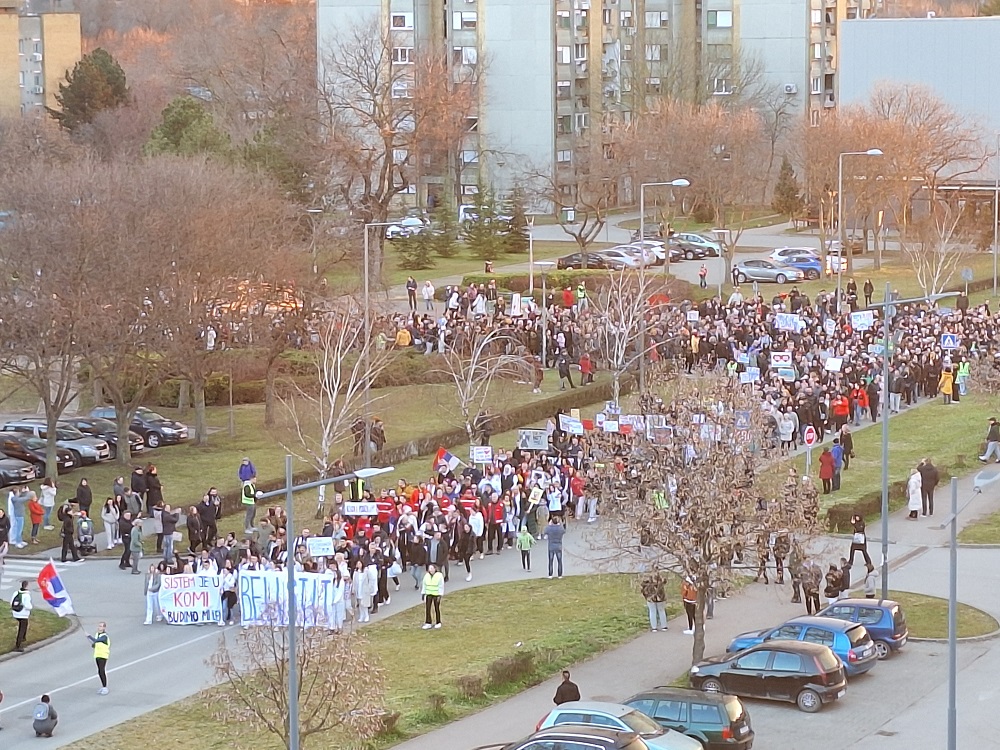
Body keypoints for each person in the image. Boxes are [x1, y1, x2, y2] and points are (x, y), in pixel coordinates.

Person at [88, 622, 111, 695]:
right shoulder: (97, 635)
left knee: (102, 670)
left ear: (104, 628)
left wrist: (89, 636)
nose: (99, 627)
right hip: (97, 655)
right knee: (99, 671)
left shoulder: (105, 636)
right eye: (99, 626)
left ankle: (105, 687)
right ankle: (103, 686)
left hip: (103, 655)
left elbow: (97, 640)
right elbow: (96, 643)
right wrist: (94, 645)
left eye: (101, 626)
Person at [421, 563, 444, 629]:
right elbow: (424, 585)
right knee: (428, 608)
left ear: (435, 569)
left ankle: (438, 622)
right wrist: (423, 593)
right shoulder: (426, 576)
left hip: (436, 594)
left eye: (431, 568)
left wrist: (440, 595)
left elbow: (441, 586)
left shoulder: (439, 576)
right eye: (429, 568)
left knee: (436, 608)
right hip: (428, 594)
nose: (430, 570)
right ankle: (428, 622)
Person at [11, 579, 31, 651]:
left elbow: (11, 603)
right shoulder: (26, 595)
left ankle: (23, 638)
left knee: (25, 625)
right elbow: (27, 606)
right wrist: (31, 607)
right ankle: (18, 645)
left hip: (16, 613)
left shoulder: (16, 593)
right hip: (23, 614)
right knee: (22, 629)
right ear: (27, 586)